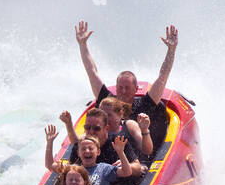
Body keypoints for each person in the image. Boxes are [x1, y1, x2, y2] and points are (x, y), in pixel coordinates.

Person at [74, 19, 177, 150]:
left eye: (127, 88)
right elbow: (91, 71)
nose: (123, 91)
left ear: (136, 89)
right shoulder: (108, 102)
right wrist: (83, 45)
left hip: (139, 156)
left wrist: (171, 50)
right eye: (120, 88)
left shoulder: (145, 104)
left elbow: (163, 76)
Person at [44, 124, 131, 185]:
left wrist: (120, 152)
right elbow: (50, 165)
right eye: (83, 149)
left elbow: (127, 172)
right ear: (78, 153)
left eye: (90, 148)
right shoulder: (73, 170)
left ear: (98, 152)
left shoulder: (104, 168)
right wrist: (49, 143)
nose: (87, 151)